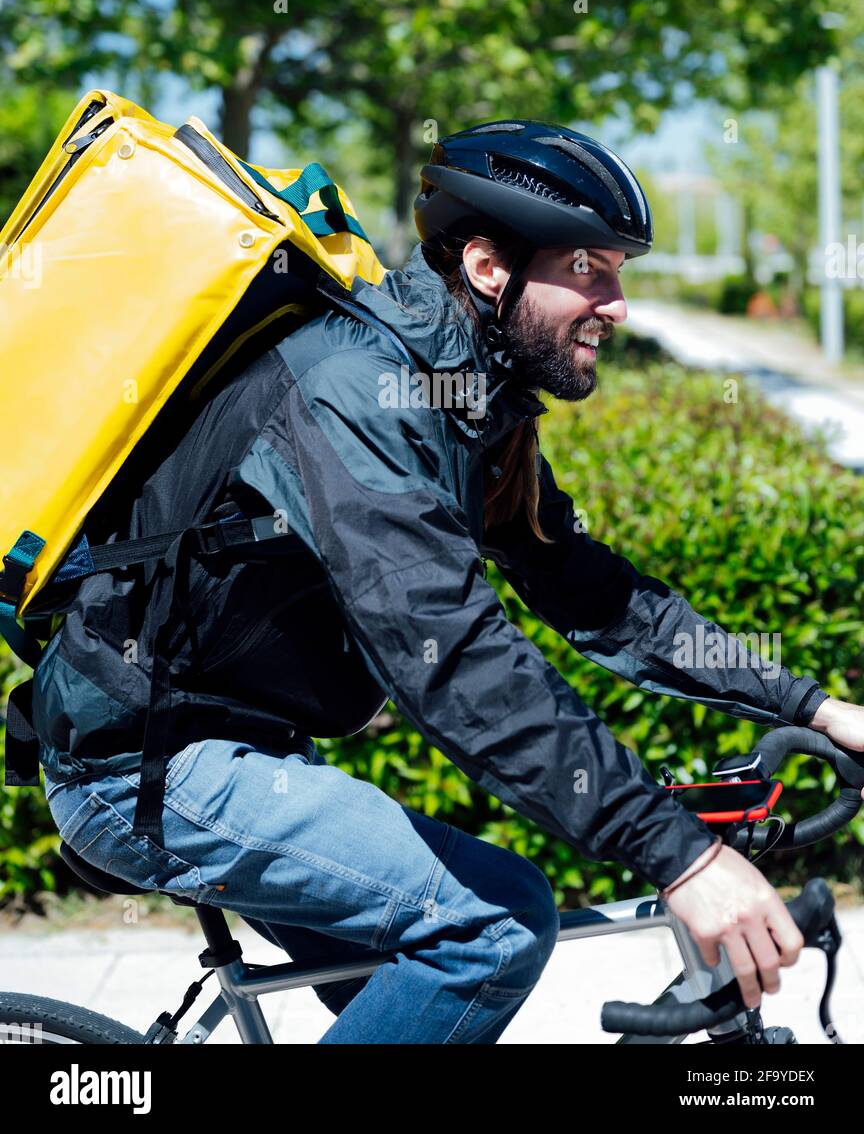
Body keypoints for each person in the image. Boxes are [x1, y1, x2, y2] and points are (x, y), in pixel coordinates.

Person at [37, 119, 864, 1044]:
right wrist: (679, 856)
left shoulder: (471, 400)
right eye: (591, 268)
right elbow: (457, 661)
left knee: (437, 1008)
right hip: (146, 764)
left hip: (243, 745)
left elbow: (595, 594)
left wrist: (813, 704)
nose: (619, 304)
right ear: (485, 268)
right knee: (494, 926)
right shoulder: (353, 391)